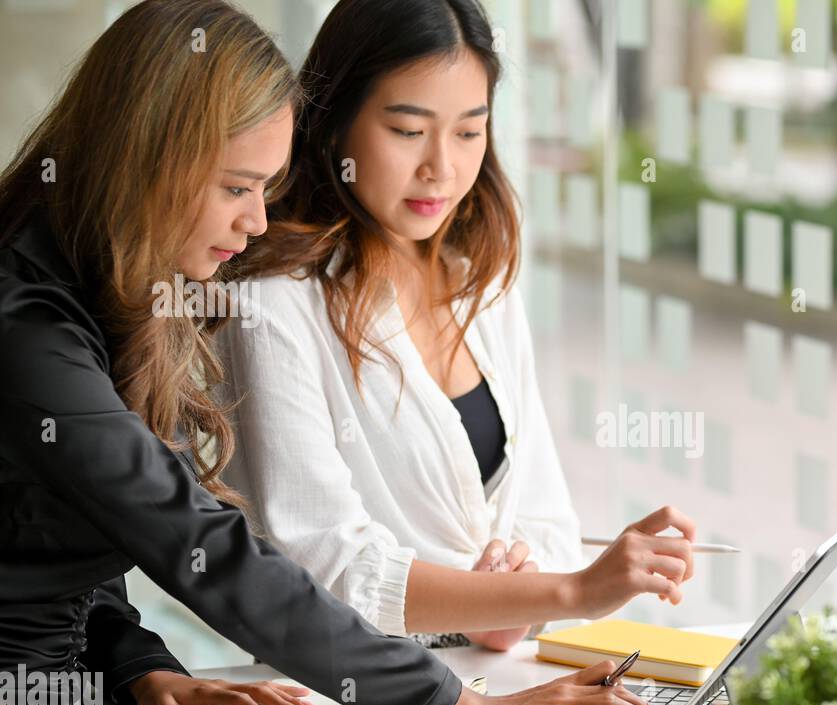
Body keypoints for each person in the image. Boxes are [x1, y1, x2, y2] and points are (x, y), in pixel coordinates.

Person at [0, 0, 672, 705]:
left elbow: (54, 544)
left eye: (265, 192)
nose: (252, 224)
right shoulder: (27, 330)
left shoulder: (95, 289)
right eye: (236, 189)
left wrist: (136, 664)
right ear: (145, 162)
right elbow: (201, 543)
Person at [221, 0, 689, 653]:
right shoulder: (274, 307)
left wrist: (513, 593)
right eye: (408, 131)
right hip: (346, 704)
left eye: (469, 132)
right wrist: (556, 593)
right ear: (333, 124)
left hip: (495, 683)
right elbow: (325, 566)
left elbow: (548, 521)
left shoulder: (482, 285)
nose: (441, 166)